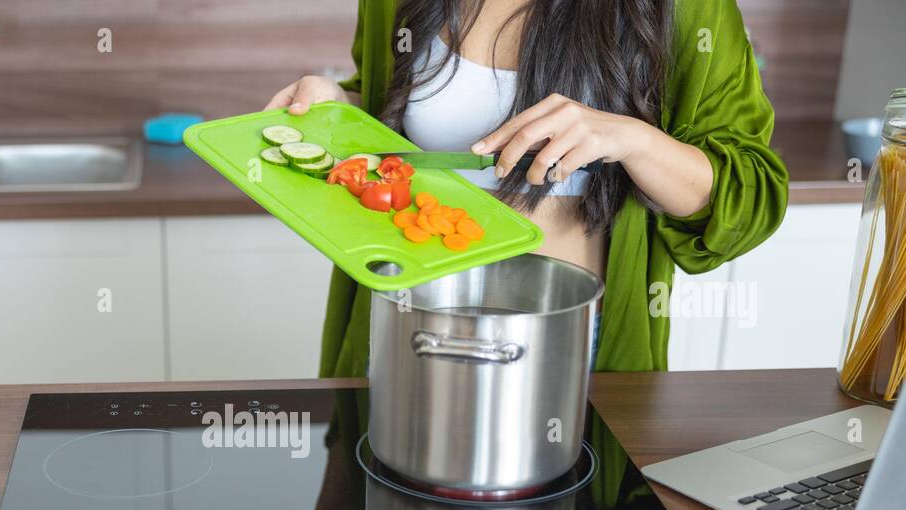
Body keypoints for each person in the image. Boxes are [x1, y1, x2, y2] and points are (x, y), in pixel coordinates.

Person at [264, 0, 788, 381]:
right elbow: (389, 116)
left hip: (572, 339)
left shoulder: (688, 10)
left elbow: (749, 198)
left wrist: (634, 140)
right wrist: (337, 105)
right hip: (409, 318)